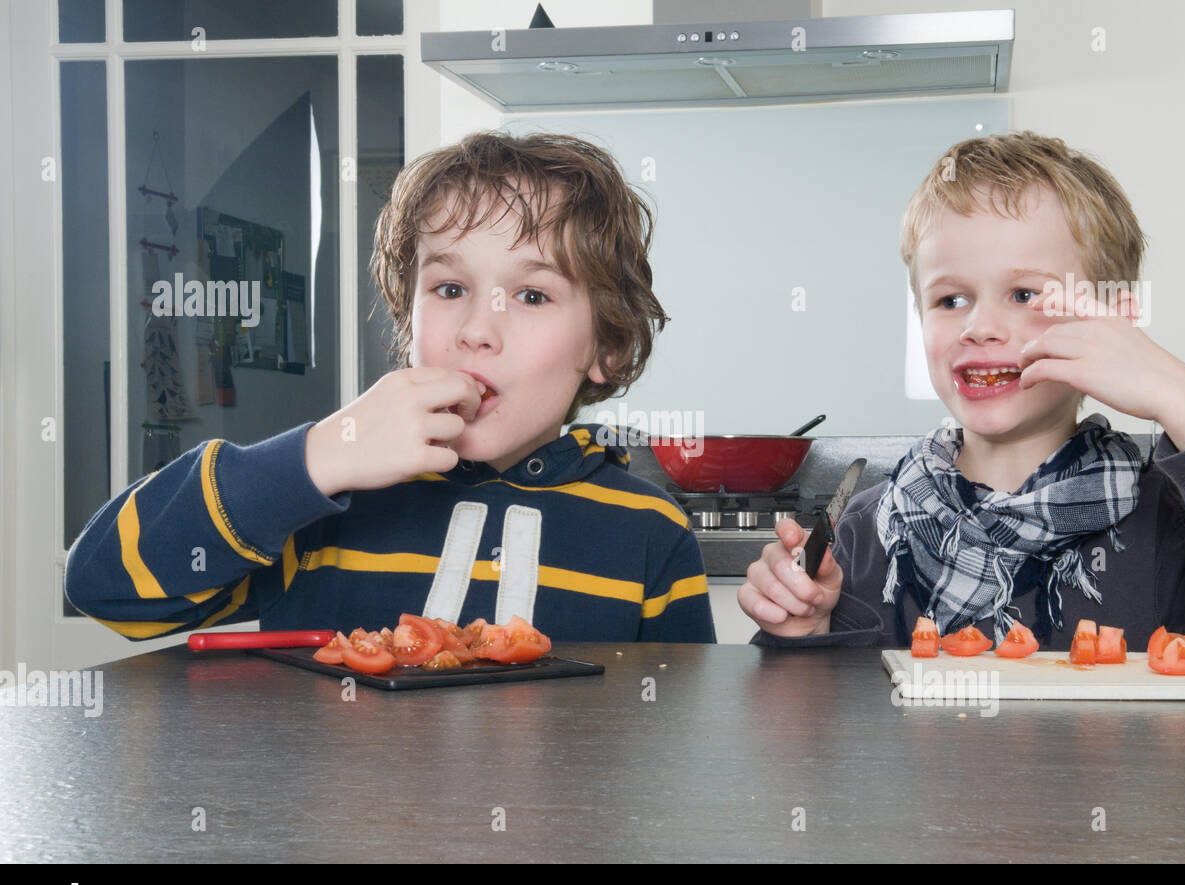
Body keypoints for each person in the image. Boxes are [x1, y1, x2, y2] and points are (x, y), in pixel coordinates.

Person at [66, 131, 715, 644]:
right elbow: (105, 587)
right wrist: (318, 458)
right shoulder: (319, 508)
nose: (476, 331)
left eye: (531, 293)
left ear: (604, 345)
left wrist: (788, 642)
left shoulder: (652, 533)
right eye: (450, 289)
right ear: (411, 316)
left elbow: (674, 752)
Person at [739, 131, 1185, 648]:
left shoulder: (1178, 523)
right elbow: (815, 735)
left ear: (1108, 322)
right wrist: (805, 631)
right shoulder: (864, 529)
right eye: (949, 300)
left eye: (1025, 294)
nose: (979, 326)